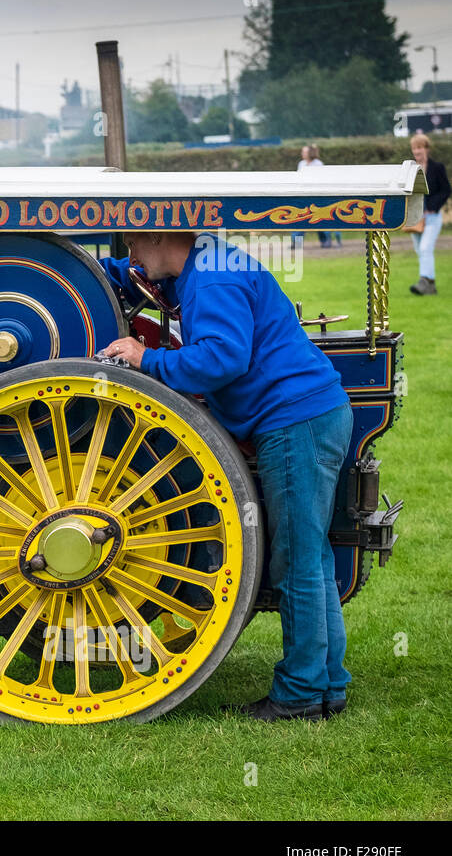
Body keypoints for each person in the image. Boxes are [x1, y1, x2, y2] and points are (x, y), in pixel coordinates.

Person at [97, 231, 352, 722]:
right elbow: (135, 279)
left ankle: (299, 695)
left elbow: (222, 358)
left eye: (131, 242)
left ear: (158, 235)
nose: (129, 253)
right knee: (311, 559)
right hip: (308, 417)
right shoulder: (205, 266)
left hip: (295, 423)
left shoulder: (213, 280)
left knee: (296, 563)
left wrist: (143, 358)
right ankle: (328, 686)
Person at [408, 134, 449, 295]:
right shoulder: (410, 170)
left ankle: (423, 281)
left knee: (425, 248)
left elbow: (446, 190)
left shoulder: (437, 168)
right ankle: (430, 285)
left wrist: (433, 206)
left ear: (426, 149)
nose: (417, 151)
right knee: (420, 250)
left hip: (432, 217)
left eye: (420, 147)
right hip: (415, 217)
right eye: (414, 148)